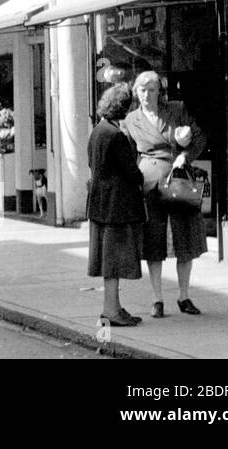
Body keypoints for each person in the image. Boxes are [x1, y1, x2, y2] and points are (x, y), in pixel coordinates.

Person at [122, 70, 207, 318]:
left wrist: (186, 154)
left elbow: (199, 136)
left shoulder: (176, 109)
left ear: (160, 91)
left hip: (178, 179)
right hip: (149, 184)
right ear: (136, 92)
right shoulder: (131, 120)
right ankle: (157, 299)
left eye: (152, 90)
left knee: (186, 238)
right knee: (154, 240)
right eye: (142, 90)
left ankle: (184, 296)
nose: (147, 95)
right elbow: (127, 156)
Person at [88, 82, 146, 326]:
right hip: (117, 208)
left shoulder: (97, 131)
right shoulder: (115, 136)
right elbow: (132, 173)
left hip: (100, 205)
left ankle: (112, 308)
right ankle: (111, 311)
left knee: (107, 260)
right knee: (114, 261)